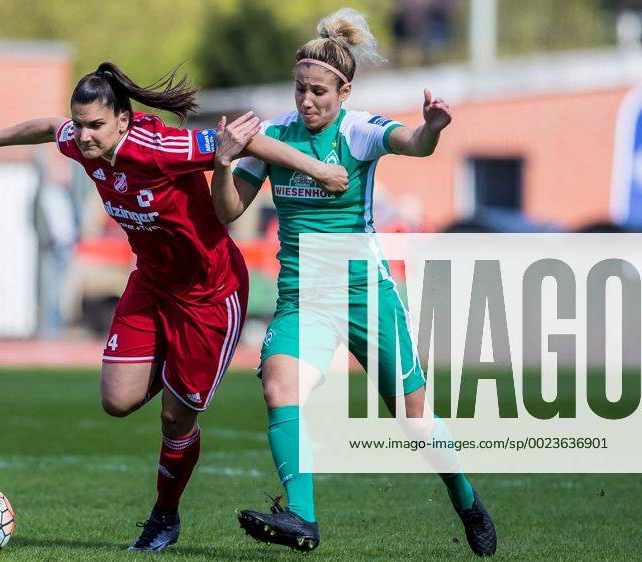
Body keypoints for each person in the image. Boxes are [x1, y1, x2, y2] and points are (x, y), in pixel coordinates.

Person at [0, 61, 347, 551]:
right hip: (151, 285)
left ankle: (164, 517)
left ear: (123, 120)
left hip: (208, 295)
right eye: (80, 124)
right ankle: (175, 374)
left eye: (96, 125)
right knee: (116, 400)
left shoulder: (160, 147)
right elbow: (45, 127)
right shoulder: (80, 141)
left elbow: (249, 142)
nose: (84, 135)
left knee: (176, 419)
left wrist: (319, 169)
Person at [210, 9, 496, 556]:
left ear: (345, 91)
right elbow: (227, 210)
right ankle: (303, 519)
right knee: (279, 383)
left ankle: (466, 499)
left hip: (365, 294)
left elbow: (413, 142)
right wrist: (224, 164)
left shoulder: (359, 130)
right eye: (300, 90)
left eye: (319, 91)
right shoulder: (274, 137)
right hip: (304, 298)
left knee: (415, 421)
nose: (307, 101)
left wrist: (433, 127)